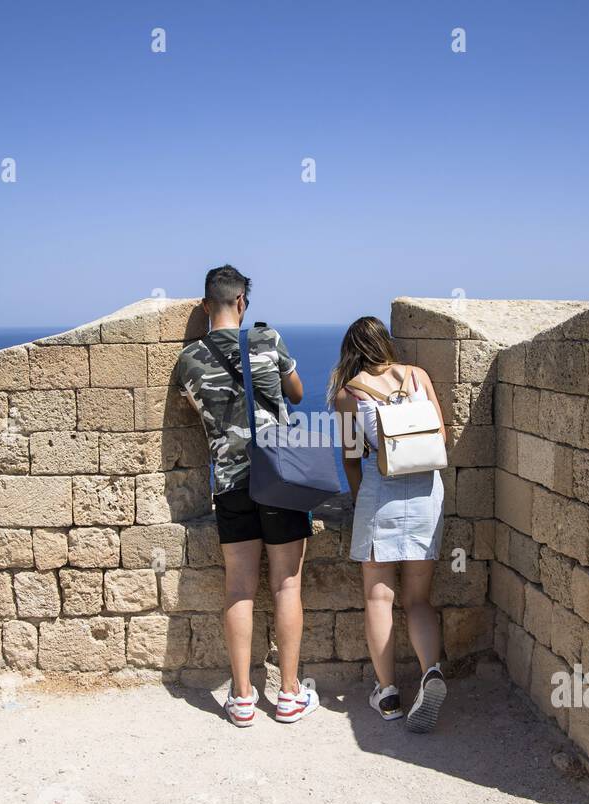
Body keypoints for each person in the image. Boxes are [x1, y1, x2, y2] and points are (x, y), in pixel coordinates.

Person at [173, 265, 319, 727]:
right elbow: (296, 393)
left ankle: (239, 698)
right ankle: (290, 695)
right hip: (279, 477)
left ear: (204, 306)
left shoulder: (188, 359)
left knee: (238, 588)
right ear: (242, 303)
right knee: (287, 584)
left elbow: (197, 411)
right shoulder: (267, 339)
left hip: (231, 483)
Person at [331, 317, 448, 732]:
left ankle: (389, 694)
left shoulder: (349, 394)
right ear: (386, 343)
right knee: (418, 599)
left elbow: (350, 457)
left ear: (352, 350)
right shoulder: (418, 376)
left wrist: (364, 496)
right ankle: (431, 671)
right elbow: (441, 437)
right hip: (425, 497)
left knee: (379, 599)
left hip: (380, 495)